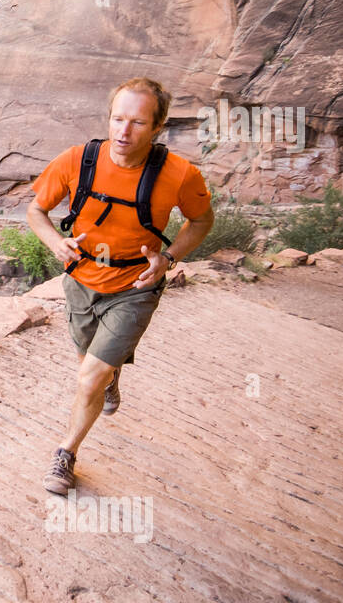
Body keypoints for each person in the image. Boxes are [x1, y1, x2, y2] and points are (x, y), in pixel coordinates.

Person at [25, 77, 214, 494]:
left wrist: (168, 259)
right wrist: (56, 241)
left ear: (158, 127)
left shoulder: (179, 175)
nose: (123, 132)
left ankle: (65, 454)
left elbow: (202, 220)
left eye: (137, 123)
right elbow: (36, 210)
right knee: (89, 370)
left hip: (136, 286)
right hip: (81, 282)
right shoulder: (77, 161)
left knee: (88, 379)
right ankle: (110, 376)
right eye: (117, 119)